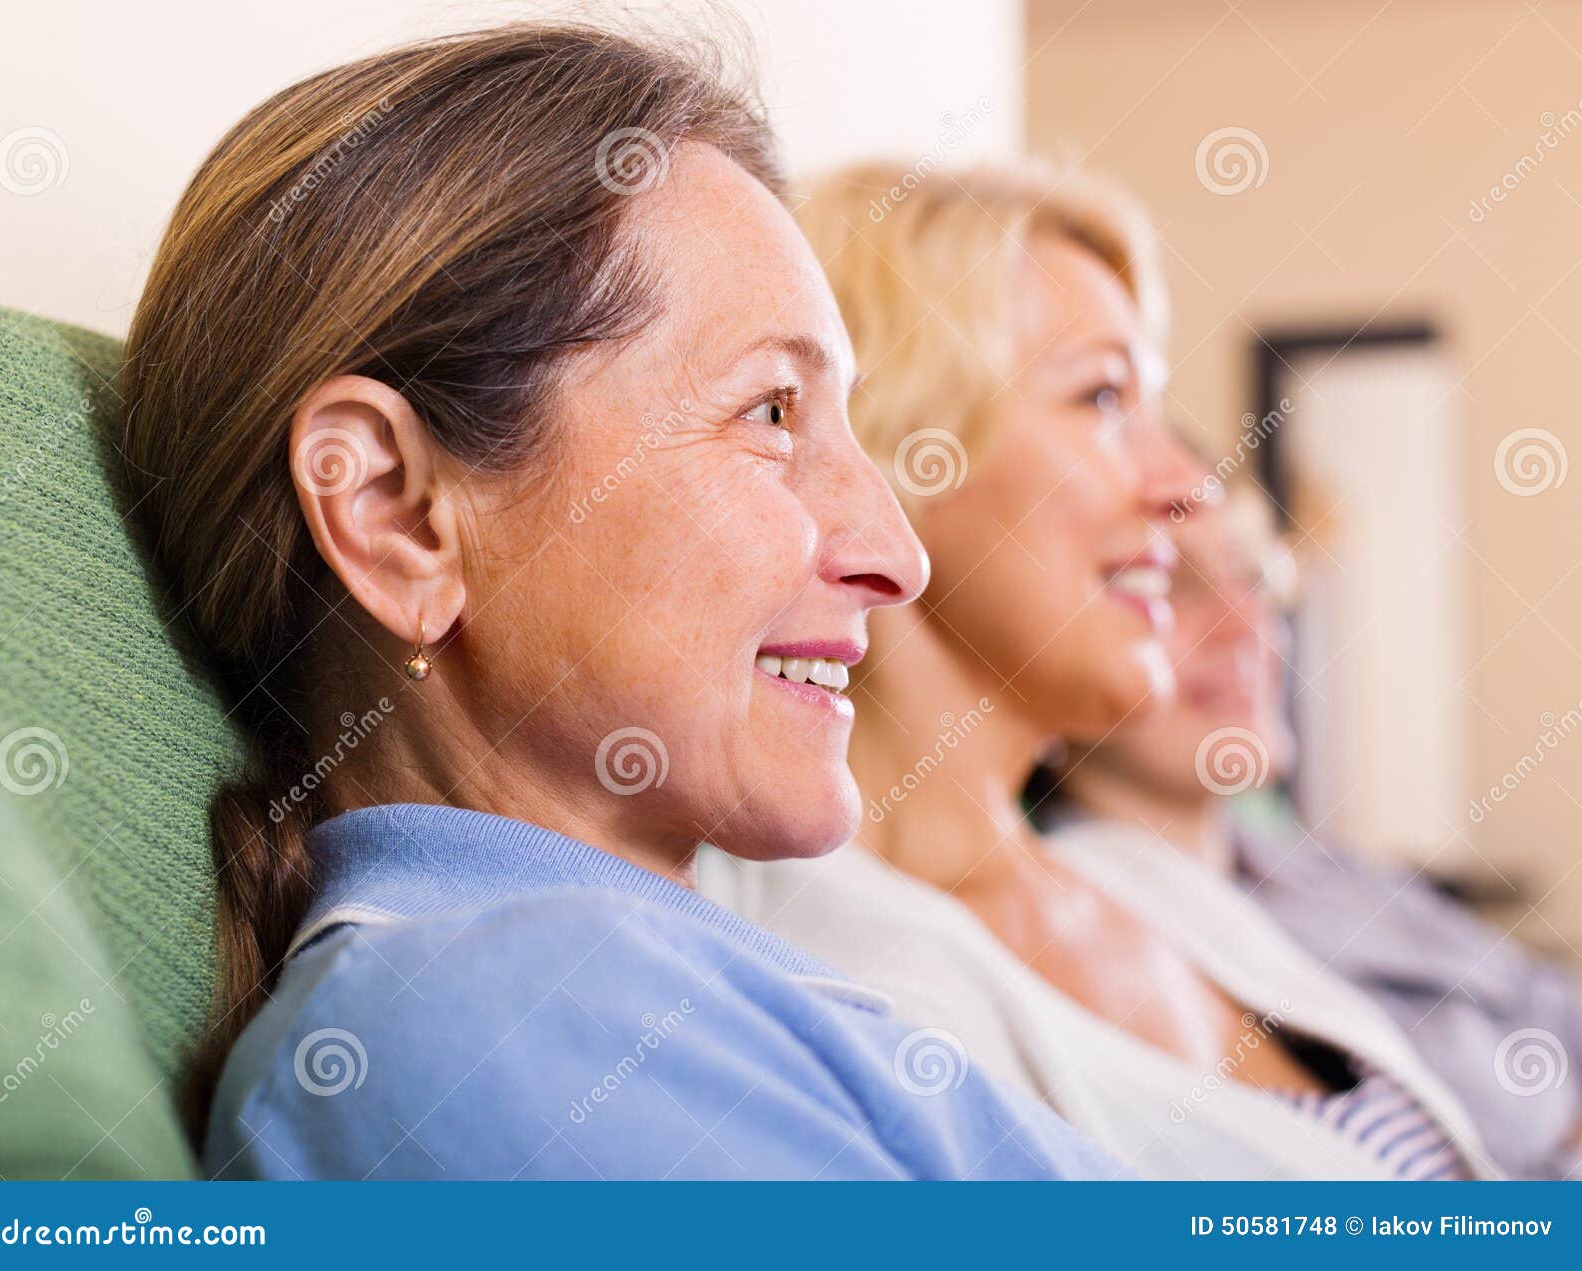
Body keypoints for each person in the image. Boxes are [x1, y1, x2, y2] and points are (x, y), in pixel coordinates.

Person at [119, 24, 1115, 1181]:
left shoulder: (613, 993)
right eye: (773, 412)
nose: (895, 556)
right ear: (397, 512)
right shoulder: (479, 1032)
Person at [700, 160, 1498, 1179]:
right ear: (899, 450)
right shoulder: (833, 983)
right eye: (1103, 396)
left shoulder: (1144, 878)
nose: (1184, 484)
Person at [1038, 483, 1582, 1180]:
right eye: (1168, 586)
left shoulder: (1313, 866)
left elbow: (1550, 1001)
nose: (1248, 623)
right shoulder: (1083, 943)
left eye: (1255, 578)